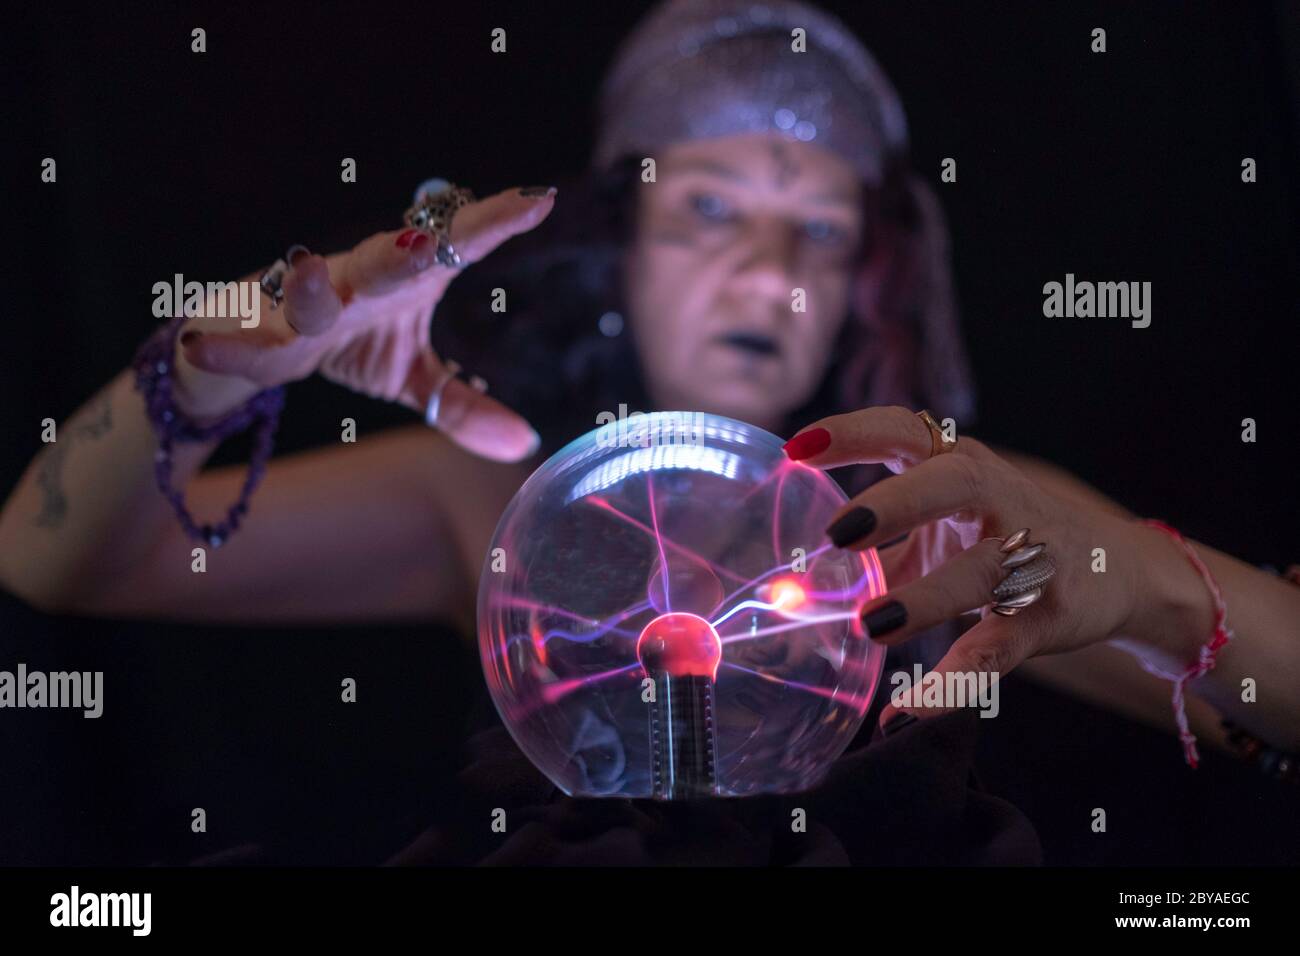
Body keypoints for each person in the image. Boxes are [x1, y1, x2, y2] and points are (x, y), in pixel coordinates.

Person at [1, 0, 1297, 798]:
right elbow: (52, 559)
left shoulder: (951, 512)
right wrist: (201, 373)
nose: (770, 271)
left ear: (871, 282)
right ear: (625, 240)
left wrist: (1144, 586)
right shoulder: (507, 505)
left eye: (823, 231)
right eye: (714, 209)